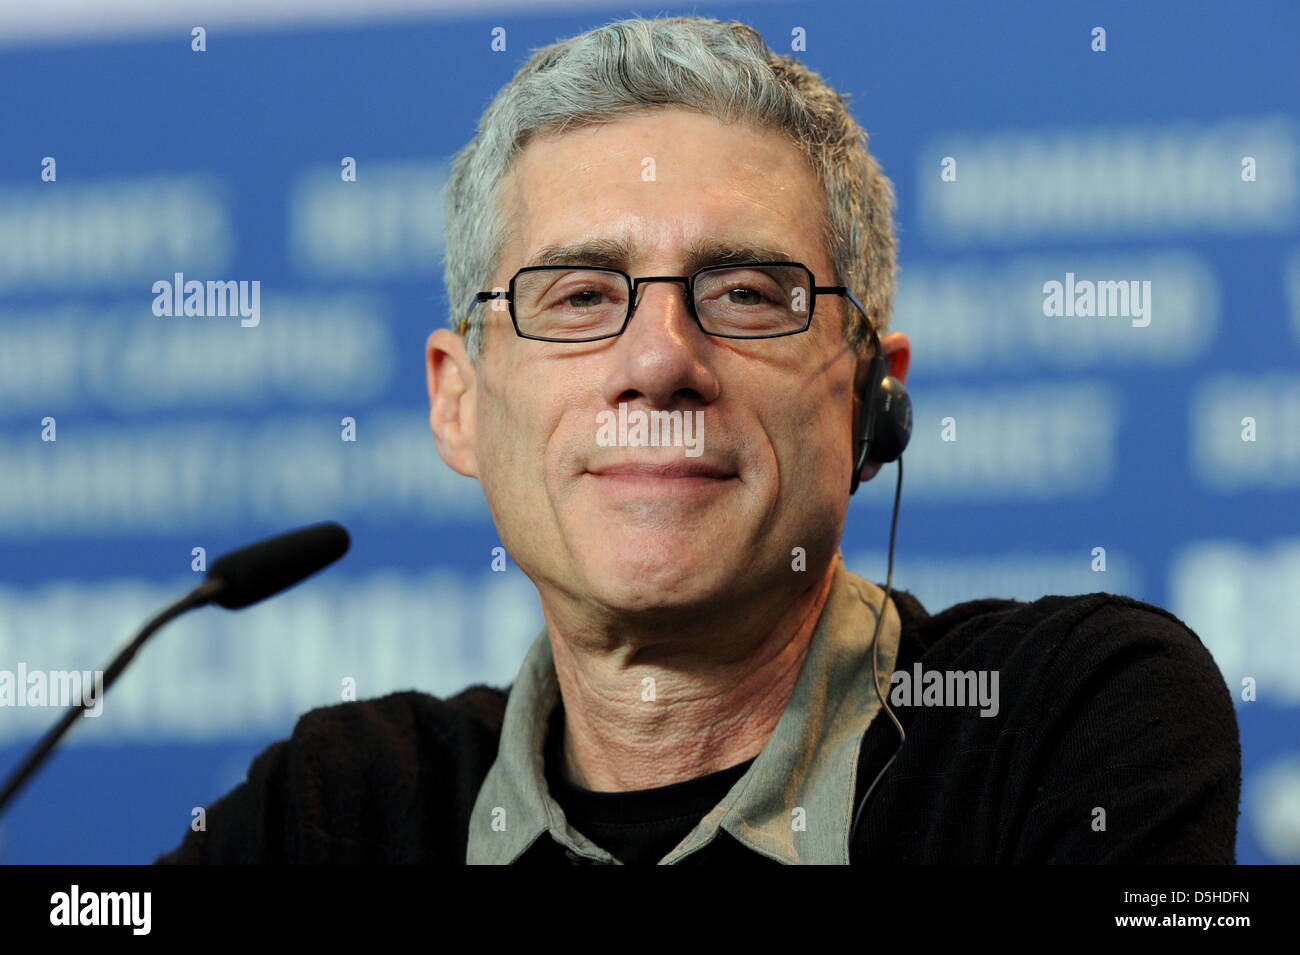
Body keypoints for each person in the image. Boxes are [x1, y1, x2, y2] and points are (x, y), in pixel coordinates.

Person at [156, 15, 1240, 865]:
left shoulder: (1063, 718)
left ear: (870, 399)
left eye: (747, 292)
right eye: (580, 295)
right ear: (460, 403)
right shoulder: (337, 807)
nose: (659, 358)